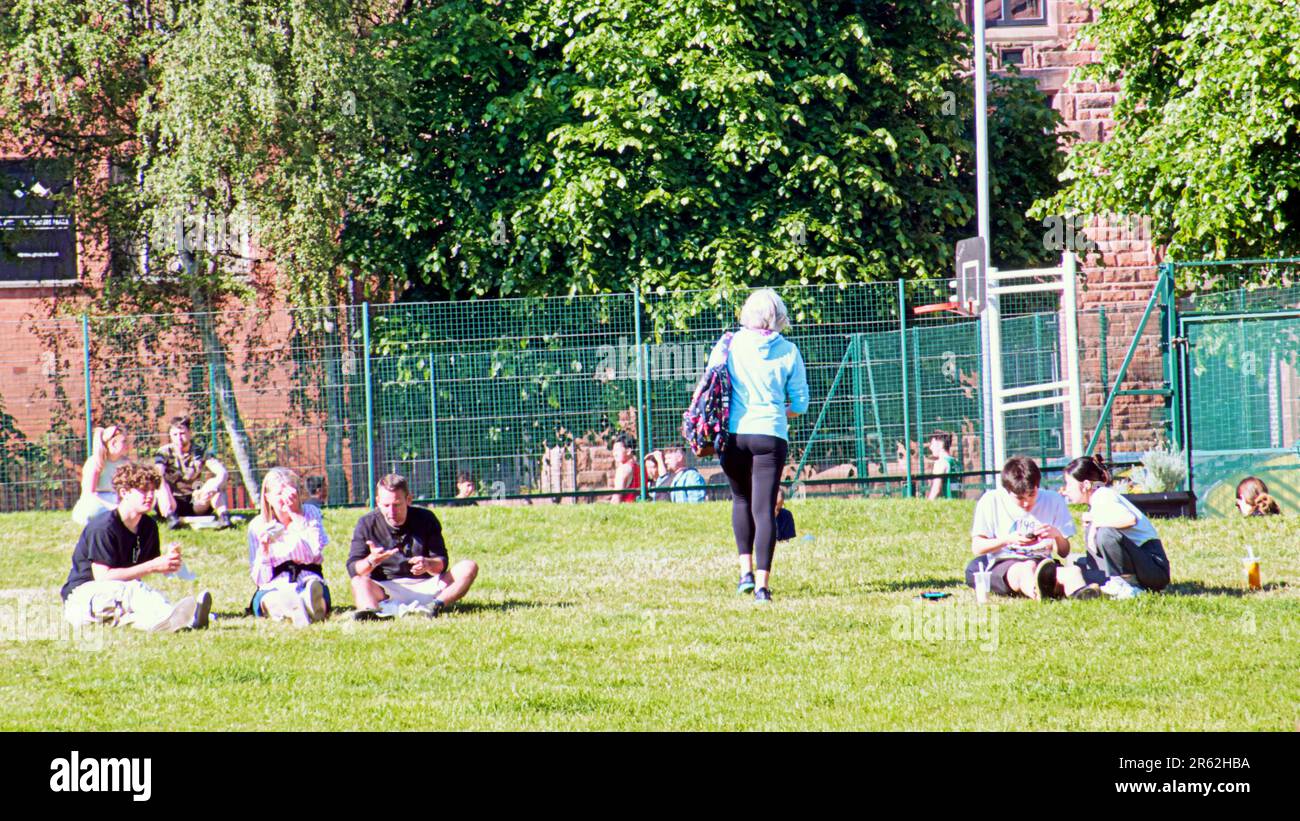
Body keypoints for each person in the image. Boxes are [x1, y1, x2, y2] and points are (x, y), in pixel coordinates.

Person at [717, 288, 809, 603]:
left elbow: (711, 381)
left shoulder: (729, 343)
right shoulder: (789, 351)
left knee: (740, 500)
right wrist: (777, 411)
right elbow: (800, 403)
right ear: (778, 315)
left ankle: (744, 573)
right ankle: (762, 586)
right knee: (764, 509)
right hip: (770, 435)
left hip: (734, 434)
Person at [60, 462, 212, 632]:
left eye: (153, 490)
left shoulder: (148, 526)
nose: (150, 496)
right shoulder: (103, 528)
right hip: (83, 599)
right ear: (124, 492)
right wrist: (154, 565)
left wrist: (168, 563)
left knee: (141, 618)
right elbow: (104, 577)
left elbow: (146, 567)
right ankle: (183, 617)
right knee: (134, 588)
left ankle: (183, 624)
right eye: (143, 490)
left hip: (114, 600)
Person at [964, 456, 1097, 600]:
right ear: (1007, 491)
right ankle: (1037, 593)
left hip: (1043, 562)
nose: (1026, 503)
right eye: (1019, 498)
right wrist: (1008, 540)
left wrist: (1057, 536)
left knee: (1073, 572)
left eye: (1031, 495)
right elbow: (977, 547)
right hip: (1006, 562)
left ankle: (1082, 594)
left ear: (1038, 486)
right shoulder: (991, 500)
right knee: (1027, 568)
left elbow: (1064, 552)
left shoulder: (1053, 500)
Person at [347, 474, 478, 619]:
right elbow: (353, 569)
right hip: (386, 589)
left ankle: (435, 606)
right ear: (377, 502)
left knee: (469, 567)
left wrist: (428, 564)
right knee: (358, 582)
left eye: (397, 505)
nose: (391, 511)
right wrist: (371, 561)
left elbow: (441, 563)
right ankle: (372, 613)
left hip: (427, 586)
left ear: (408, 500)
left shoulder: (426, 518)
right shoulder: (366, 523)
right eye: (386, 505)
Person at [1062, 455, 1170, 597]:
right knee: (1076, 563)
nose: (1065, 490)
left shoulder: (1103, 495)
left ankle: (1128, 586)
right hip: (1141, 565)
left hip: (1154, 569)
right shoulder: (1095, 503)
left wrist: (1096, 523)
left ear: (1086, 485)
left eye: (1069, 484)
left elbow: (1129, 519)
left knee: (1105, 533)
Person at [246, 467, 330, 626]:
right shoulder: (257, 526)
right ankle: (293, 608)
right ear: (268, 497)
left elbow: (314, 552)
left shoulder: (310, 513)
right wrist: (264, 549)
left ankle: (309, 604)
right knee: (271, 598)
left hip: (307, 579)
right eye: (279, 494)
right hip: (275, 585)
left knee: (314, 589)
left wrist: (296, 515)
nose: (285, 500)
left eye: (290, 493)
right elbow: (259, 579)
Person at [154, 416, 233, 530]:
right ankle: (171, 519)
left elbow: (222, 472)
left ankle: (224, 518)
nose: (179, 438)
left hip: (195, 500)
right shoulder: (164, 452)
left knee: (215, 484)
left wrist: (211, 487)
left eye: (182, 434)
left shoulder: (201, 451)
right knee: (161, 484)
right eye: (175, 435)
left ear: (190, 433)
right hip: (172, 501)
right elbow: (157, 474)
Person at [71, 424, 131, 525]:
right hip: (97, 502)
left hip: (116, 499)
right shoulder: (95, 462)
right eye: (124, 441)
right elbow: (89, 494)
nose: (128, 444)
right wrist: (112, 507)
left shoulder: (126, 463)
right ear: (113, 443)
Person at [925, 431, 959, 500]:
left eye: (932, 444)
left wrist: (927, 505)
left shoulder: (940, 463)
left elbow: (936, 489)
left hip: (948, 506)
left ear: (940, 444)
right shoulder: (955, 462)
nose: (930, 447)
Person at [608, 433, 640, 503]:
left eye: (617, 450)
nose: (614, 454)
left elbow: (617, 497)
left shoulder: (623, 470)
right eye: (613, 451)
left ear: (628, 451)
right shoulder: (639, 468)